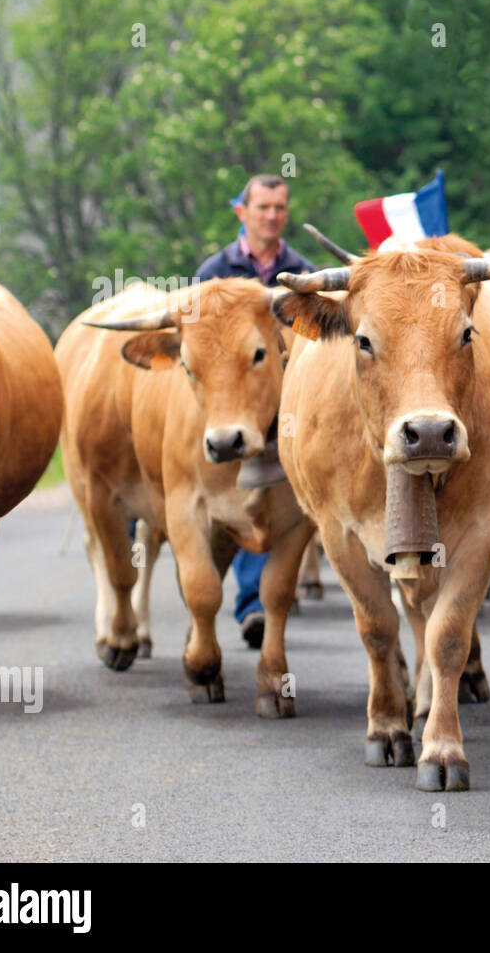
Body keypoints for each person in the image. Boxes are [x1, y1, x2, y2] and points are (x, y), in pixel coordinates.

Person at [195, 174, 315, 646]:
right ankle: (248, 602)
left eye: (280, 207)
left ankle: (263, 599)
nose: (272, 215)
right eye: (263, 207)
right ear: (242, 212)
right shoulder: (215, 270)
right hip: (233, 408)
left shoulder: (298, 272)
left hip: (285, 408)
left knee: (279, 501)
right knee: (243, 499)